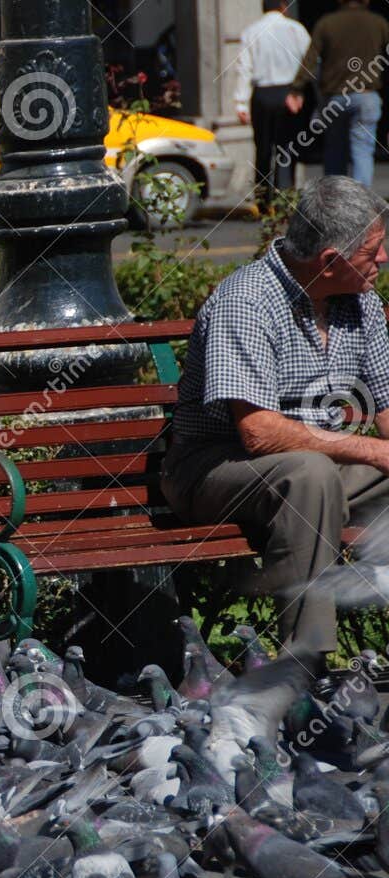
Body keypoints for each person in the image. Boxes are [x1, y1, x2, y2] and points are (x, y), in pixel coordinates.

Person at [161, 177, 389, 656]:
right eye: (375, 250)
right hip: (214, 469)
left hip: (316, 470)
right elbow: (258, 433)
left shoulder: (362, 302)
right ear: (331, 261)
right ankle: (306, 664)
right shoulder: (246, 301)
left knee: (318, 474)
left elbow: (387, 408)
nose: (384, 259)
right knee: (310, 473)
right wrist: (371, 448)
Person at [287, 0, 389, 186]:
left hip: (336, 97)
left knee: (335, 151)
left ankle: (335, 198)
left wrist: (297, 87)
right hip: (366, 95)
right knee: (363, 151)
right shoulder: (378, 23)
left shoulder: (327, 23)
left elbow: (310, 58)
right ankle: (360, 201)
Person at [237, 0, 310, 213]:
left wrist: (240, 102)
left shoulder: (251, 31)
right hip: (289, 93)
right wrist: (301, 91)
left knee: (263, 148)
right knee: (287, 147)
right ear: (284, 6)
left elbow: (244, 68)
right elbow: (309, 61)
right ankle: (285, 196)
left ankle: (262, 200)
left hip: (262, 95)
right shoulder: (297, 30)